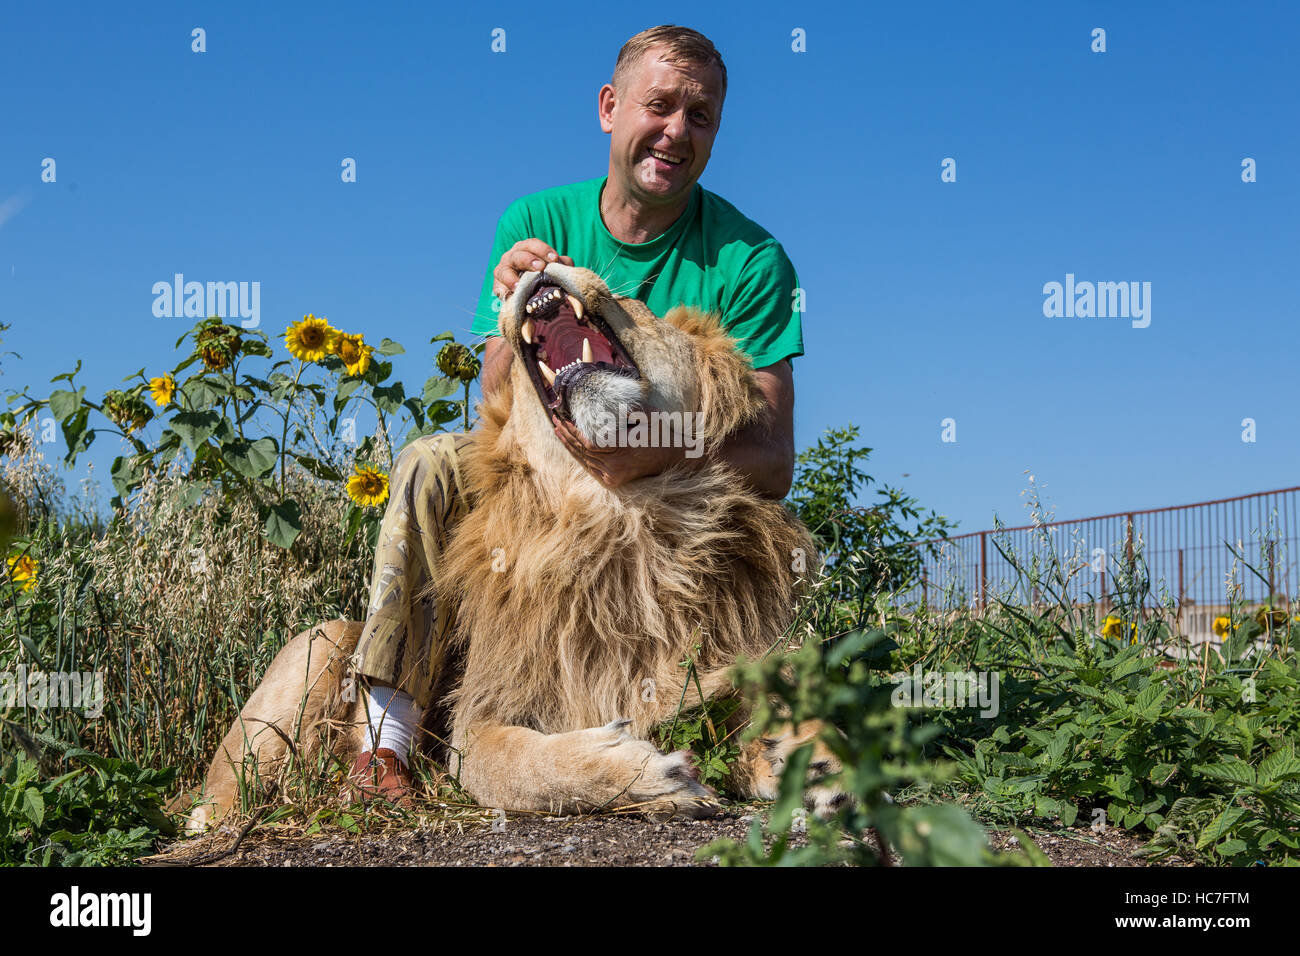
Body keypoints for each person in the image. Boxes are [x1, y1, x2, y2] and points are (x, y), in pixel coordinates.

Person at [345, 24, 805, 804]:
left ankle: (759, 737)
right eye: (659, 106)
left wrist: (655, 449)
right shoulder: (538, 221)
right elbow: (493, 410)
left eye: (701, 118)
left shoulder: (751, 259)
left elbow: (773, 459)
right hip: (543, 491)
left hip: (674, 509)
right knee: (428, 459)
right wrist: (512, 306)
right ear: (608, 108)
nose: (676, 132)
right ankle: (384, 741)